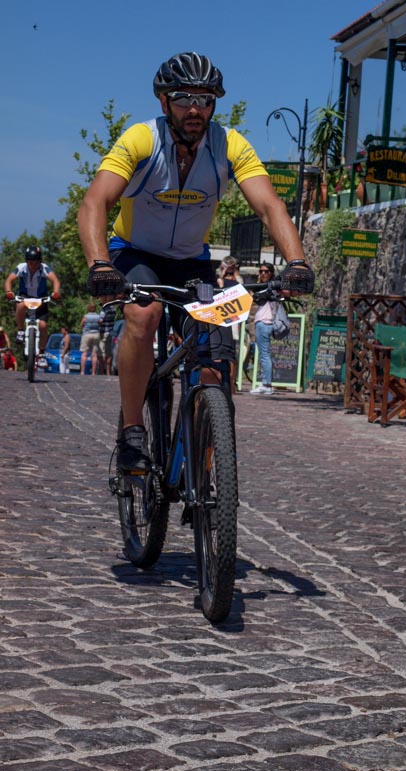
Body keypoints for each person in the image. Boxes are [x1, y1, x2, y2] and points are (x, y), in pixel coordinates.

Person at [78, 51, 313, 472]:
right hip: (135, 252)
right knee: (144, 315)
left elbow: (269, 207)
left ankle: (206, 464)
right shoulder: (141, 139)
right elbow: (95, 202)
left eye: (205, 100)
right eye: (184, 98)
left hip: (192, 262)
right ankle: (132, 431)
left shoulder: (229, 145)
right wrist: (100, 265)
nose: (195, 109)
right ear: (164, 101)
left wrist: (296, 262)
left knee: (215, 358)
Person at [4, 246, 61, 364]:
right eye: (31, 262)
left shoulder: (44, 268)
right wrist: (9, 292)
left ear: (40, 261)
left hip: (41, 298)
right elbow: (9, 280)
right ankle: (20, 330)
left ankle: (42, 353)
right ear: (27, 261)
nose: (33, 265)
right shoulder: (21, 268)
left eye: (36, 262)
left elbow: (55, 280)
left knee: (43, 326)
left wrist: (55, 292)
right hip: (25, 296)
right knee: (20, 305)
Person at [250, 261, 279, 396]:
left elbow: (256, 297)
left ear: (271, 273)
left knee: (264, 355)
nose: (263, 274)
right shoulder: (266, 287)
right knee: (263, 354)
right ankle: (266, 383)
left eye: (266, 271)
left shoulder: (270, 287)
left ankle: (267, 384)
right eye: (261, 271)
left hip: (264, 322)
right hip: (263, 322)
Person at [80, 301, 101, 375]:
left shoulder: (86, 316)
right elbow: (100, 324)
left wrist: (83, 329)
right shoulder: (98, 316)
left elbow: (81, 325)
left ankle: (82, 371)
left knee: (84, 353)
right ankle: (93, 372)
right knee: (94, 354)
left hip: (87, 334)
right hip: (96, 334)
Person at [98, 305, 117, 375]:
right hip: (110, 332)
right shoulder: (113, 310)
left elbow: (100, 321)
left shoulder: (104, 310)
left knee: (101, 353)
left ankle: (101, 371)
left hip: (103, 332)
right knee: (108, 353)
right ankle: (108, 371)